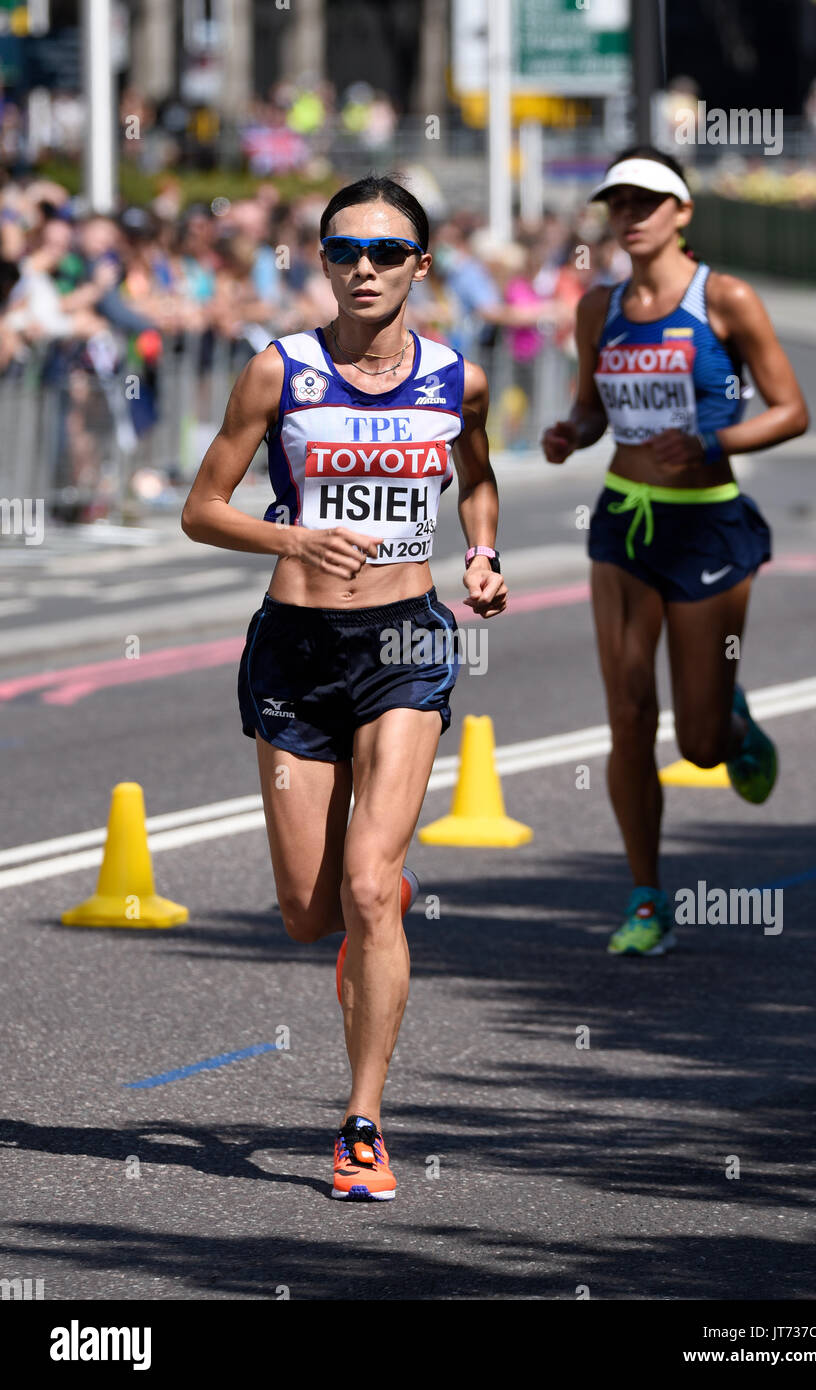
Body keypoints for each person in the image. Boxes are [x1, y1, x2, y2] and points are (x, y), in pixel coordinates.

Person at [181, 175, 508, 1197]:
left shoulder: (460, 377)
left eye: (384, 252)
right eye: (341, 250)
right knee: (305, 911)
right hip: (295, 649)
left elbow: (478, 475)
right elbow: (200, 508)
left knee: (369, 885)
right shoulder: (276, 374)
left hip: (406, 642)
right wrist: (293, 534)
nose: (361, 268)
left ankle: (362, 1120)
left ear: (420, 264)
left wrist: (483, 551)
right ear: (322, 261)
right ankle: (376, 906)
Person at [542, 147, 808, 957]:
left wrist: (711, 442)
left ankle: (731, 721)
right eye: (619, 202)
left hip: (709, 525)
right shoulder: (600, 308)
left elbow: (790, 410)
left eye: (648, 201)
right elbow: (590, 408)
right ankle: (647, 898)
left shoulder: (725, 298)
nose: (632, 215)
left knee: (694, 743)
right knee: (627, 715)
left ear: (682, 212)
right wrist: (570, 433)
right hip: (625, 520)